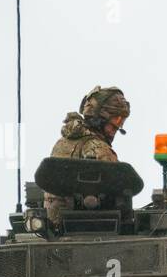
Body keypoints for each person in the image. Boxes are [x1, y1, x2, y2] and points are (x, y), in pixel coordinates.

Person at [43, 85, 131, 227]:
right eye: (116, 120)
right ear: (100, 118)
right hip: (87, 224)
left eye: (121, 121)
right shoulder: (97, 147)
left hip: (56, 223)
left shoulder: (63, 141)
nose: (118, 127)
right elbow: (119, 185)